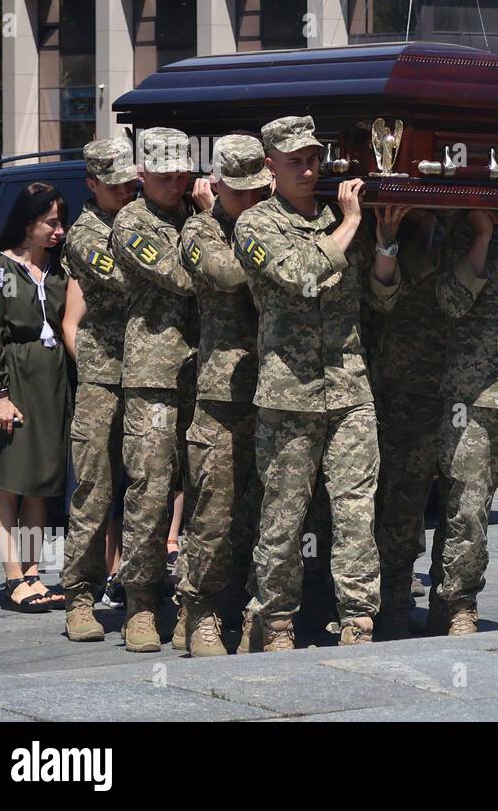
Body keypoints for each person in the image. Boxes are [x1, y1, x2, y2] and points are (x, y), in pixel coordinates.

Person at [234, 115, 408, 651]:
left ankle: (359, 621)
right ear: (270, 168)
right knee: (283, 519)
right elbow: (303, 279)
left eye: (314, 159)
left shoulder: (339, 219)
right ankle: (277, 622)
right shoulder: (255, 226)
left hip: (350, 388)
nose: (309, 170)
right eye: (295, 162)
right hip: (291, 395)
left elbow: (381, 300)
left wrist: (385, 242)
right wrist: (353, 223)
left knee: (357, 511)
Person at [176, 135, 273, 655]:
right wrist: (259, 237)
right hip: (221, 392)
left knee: (266, 514)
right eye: (240, 194)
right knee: (212, 511)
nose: (251, 202)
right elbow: (226, 274)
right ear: (215, 188)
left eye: (259, 191)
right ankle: (201, 612)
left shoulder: (271, 220)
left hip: (276, 390)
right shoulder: (201, 229)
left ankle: (259, 612)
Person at [110, 127, 202, 652]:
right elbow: (184, 276)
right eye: (165, 176)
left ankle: (196, 600)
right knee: (150, 491)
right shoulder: (132, 222)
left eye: (182, 175)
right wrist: (211, 224)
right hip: (154, 377)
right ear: (141, 176)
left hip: (201, 372)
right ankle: (141, 603)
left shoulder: (193, 215)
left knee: (207, 492)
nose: (176, 183)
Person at [0, 183, 71, 613]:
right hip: (16, 384)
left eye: (61, 221)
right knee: (11, 483)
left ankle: (33, 574)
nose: (59, 230)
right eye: (51, 222)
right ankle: (13, 577)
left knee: (39, 486)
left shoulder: (60, 269)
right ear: (28, 223)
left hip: (53, 385)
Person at [426, 209, 498, 636]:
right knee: (466, 508)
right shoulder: (459, 228)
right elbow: (450, 301)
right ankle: (457, 603)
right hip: (473, 393)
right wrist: (483, 236)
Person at [61, 138, 139, 638]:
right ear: (92, 184)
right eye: (113, 183)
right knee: (94, 491)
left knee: (149, 491)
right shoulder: (85, 235)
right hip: (103, 379)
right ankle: (80, 599)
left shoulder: (142, 219)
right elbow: (134, 281)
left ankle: (138, 591)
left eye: (128, 180)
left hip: (150, 375)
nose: (124, 189)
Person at [369, 209, 449, 639]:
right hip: (401, 383)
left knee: (430, 503)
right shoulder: (405, 229)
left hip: (450, 382)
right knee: (399, 499)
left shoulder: (456, 226)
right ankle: (392, 600)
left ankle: (435, 600)